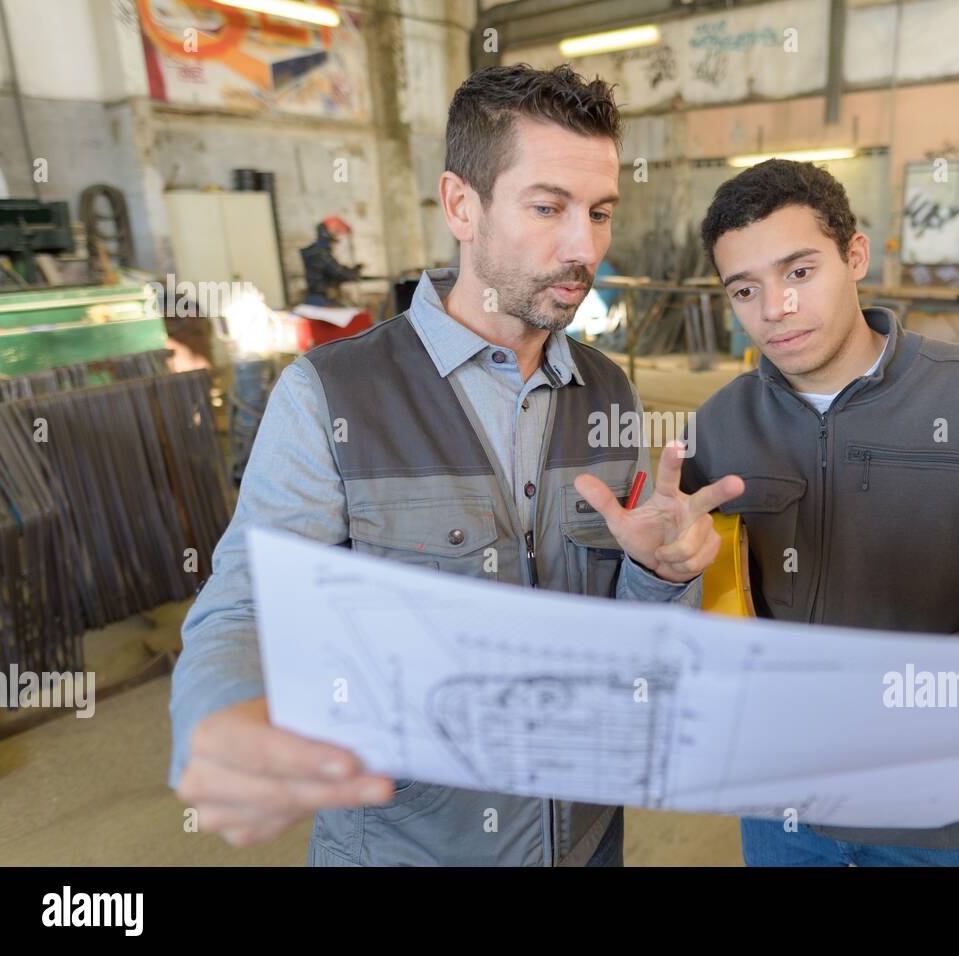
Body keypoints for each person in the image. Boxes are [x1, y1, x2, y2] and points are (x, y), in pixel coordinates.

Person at [169, 64, 743, 867]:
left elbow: (628, 650)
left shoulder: (607, 389)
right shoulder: (331, 396)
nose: (585, 247)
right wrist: (222, 718)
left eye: (601, 212)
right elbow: (243, 609)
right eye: (549, 207)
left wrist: (662, 570)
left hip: (587, 845)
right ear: (460, 205)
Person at [681, 158, 959, 867]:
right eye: (745, 290)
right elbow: (702, 614)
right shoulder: (720, 426)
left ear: (855, 255)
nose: (775, 309)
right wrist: (655, 571)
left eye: (799, 272)